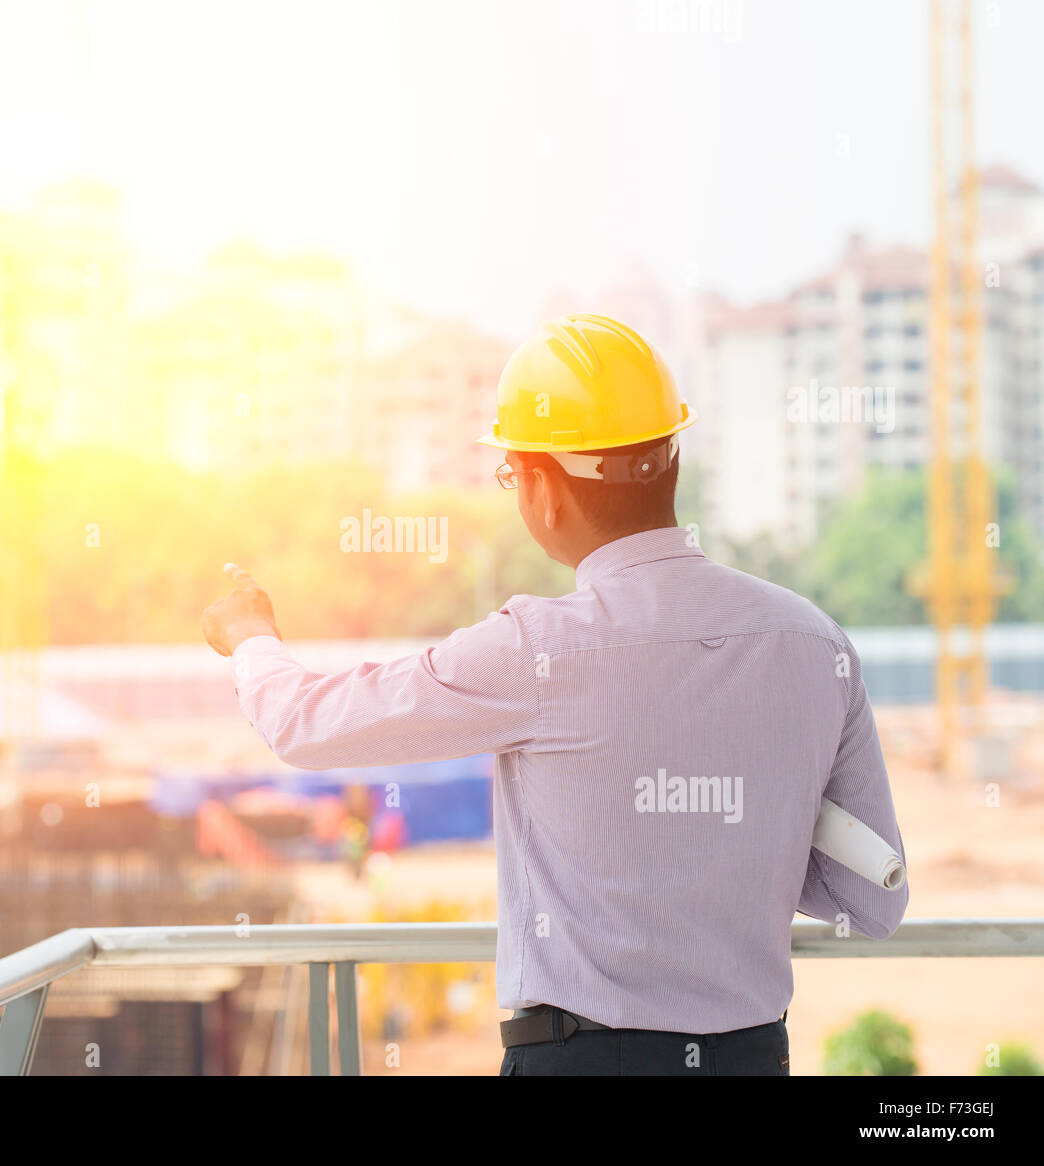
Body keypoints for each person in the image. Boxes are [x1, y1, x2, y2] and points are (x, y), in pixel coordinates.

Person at [202, 313, 908, 1076]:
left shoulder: (535, 650)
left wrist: (251, 637)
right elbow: (874, 901)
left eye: (512, 474)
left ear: (542, 488)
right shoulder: (814, 643)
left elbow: (309, 726)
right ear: (669, 456)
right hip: (752, 1059)